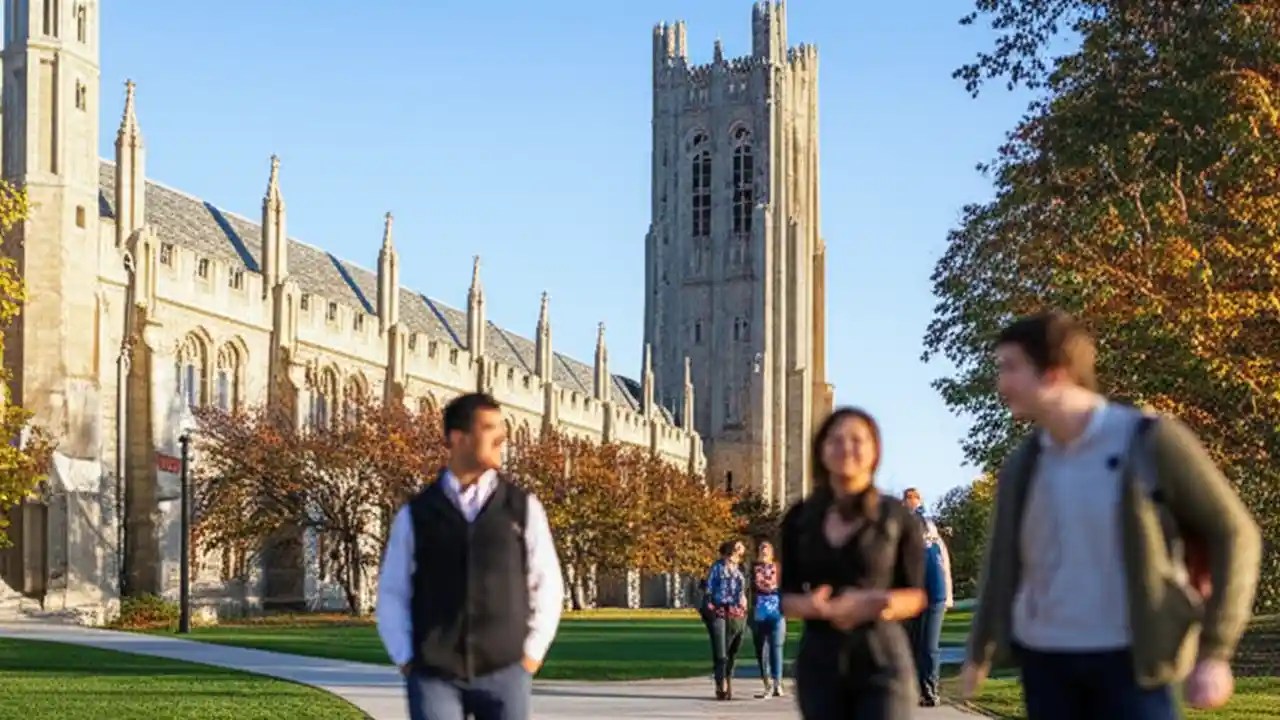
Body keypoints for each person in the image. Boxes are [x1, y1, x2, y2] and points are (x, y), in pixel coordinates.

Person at [959, 311, 1262, 720]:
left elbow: (1235, 533)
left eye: (1010, 368)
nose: (1002, 384)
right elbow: (1002, 561)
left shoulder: (1150, 441)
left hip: (1131, 663)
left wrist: (1216, 650)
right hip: (1045, 663)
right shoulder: (1024, 464)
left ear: (1054, 372)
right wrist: (979, 650)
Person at [376, 392, 565, 720]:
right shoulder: (417, 514)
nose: (502, 437)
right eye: (489, 428)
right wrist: (406, 658)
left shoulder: (522, 508)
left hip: (505, 670)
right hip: (436, 674)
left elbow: (547, 584)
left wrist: (530, 657)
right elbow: (393, 591)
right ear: (458, 438)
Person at [780, 407, 928, 719]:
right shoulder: (800, 519)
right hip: (821, 661)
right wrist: (813, 606)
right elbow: (785, 596)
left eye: (857, 440)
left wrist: (877, 601)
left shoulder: (896, 518)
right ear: (821, 450)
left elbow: (916, 596)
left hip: (881, 658)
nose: (846, 447)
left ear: (875, 451)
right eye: (835, 440)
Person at [704, 539, 748, 700]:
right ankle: (720, 683)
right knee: (720, 651)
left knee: (733, 650)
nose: (731, 559)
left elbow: (744, 589)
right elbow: (709, 588)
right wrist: (710, 603)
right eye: (729, 555)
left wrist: (743, 601)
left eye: (734, 555)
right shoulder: (717, 568)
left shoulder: (741, 569)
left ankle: (728, 677)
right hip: (719, 611)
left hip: (736, 613)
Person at [917, 515, 953, 706]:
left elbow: (945, 572)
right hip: (918, 600)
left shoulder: (933, 547)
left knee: (929, 647)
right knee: (919, 645)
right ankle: (921, 688)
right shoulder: (925, 547)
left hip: (934, 599)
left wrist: (948, 598)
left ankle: (930, 690)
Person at [749, 539, 786, 698]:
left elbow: (786, 588)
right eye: (761, 548)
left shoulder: (778, 568)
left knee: (776, 648)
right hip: (759, 613)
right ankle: (768, 684)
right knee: (762, 650)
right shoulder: (752, 569)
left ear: (771, 552)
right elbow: (748, 589)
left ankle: (778, 683)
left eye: (766, 549)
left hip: (776, 612)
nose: (764, 551)